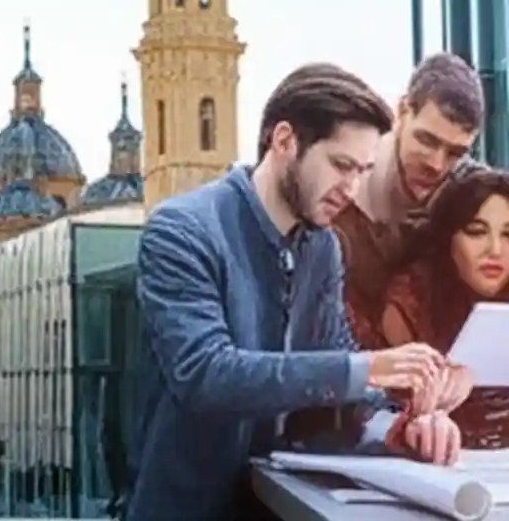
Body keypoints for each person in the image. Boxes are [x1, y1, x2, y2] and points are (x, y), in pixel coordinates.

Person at [126, 63, 460, 521]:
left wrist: (397, 429)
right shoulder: (182, 230)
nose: (351, 189)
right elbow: (206, 374)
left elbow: (335, 373)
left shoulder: (322, 248)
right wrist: (370, 368)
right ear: (284, 141)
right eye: (341, 165)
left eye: (363, 170)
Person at [335, 53, 485, 350]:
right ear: (402, 110)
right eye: (427, 141)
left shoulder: (471, 190)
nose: (437, 165)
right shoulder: (343, 185)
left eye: (455, 153)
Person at [375, 169, 509, 449]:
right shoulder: (411, 300)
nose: (495, 250)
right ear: (448, 238)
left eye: (508, 235)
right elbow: (383, 410)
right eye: (476, 232)